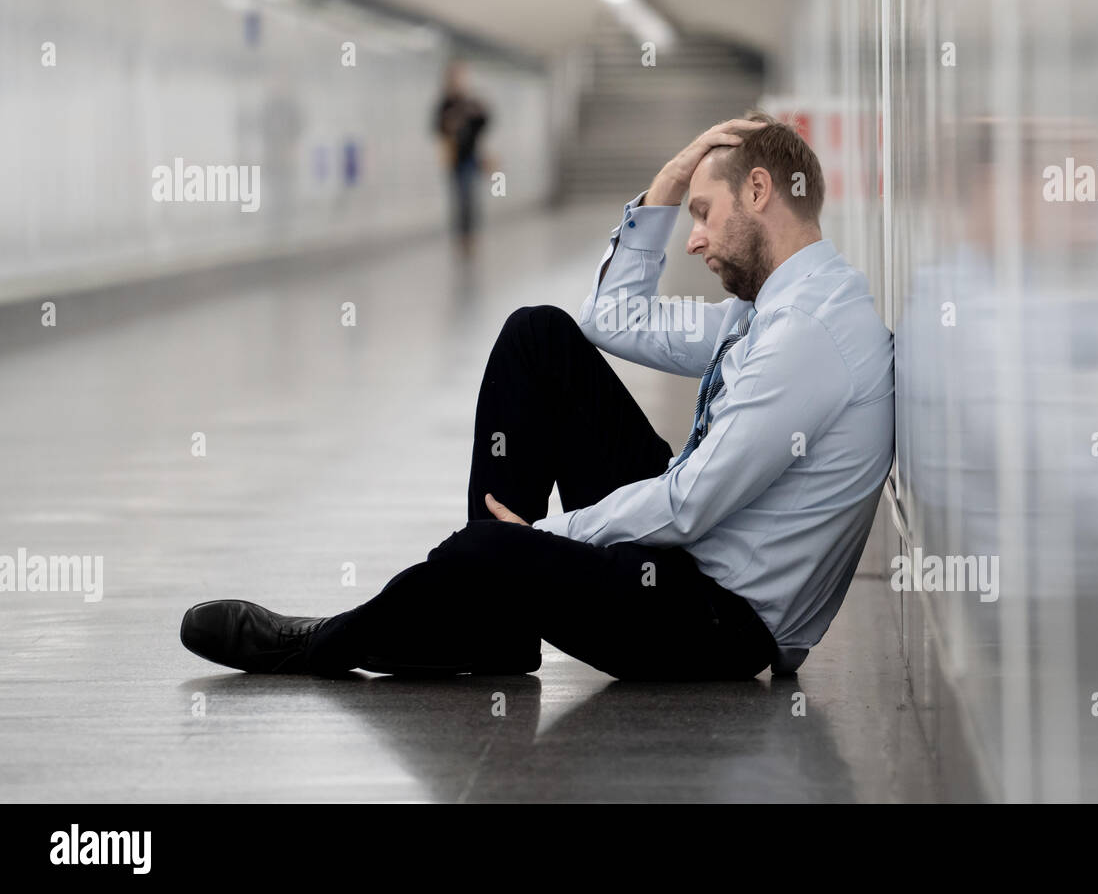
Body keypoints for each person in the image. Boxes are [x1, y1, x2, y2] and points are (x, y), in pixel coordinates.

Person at [180, 113, 896, 681]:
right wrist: (672, 182)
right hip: (694, 563)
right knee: (539, 337)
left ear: (761, 191)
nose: (694, 240)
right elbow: (612, 318)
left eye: (704, 214)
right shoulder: (772, 307)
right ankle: (493, 625)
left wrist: (542, 537)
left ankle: (315, 647)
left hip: (717, 623)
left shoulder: (806, 335)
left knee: (493, 548)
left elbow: (689, 503)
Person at [434, 60, 491, 260]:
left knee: (470, 199)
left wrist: (476, 112)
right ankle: (461, 238)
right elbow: (439, 127)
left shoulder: (470, 101)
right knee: (460, 199)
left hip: (471, 157)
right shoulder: (446, 103)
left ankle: (470, 237)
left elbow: (483, 122)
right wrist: (454, 119)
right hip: (455, 159)